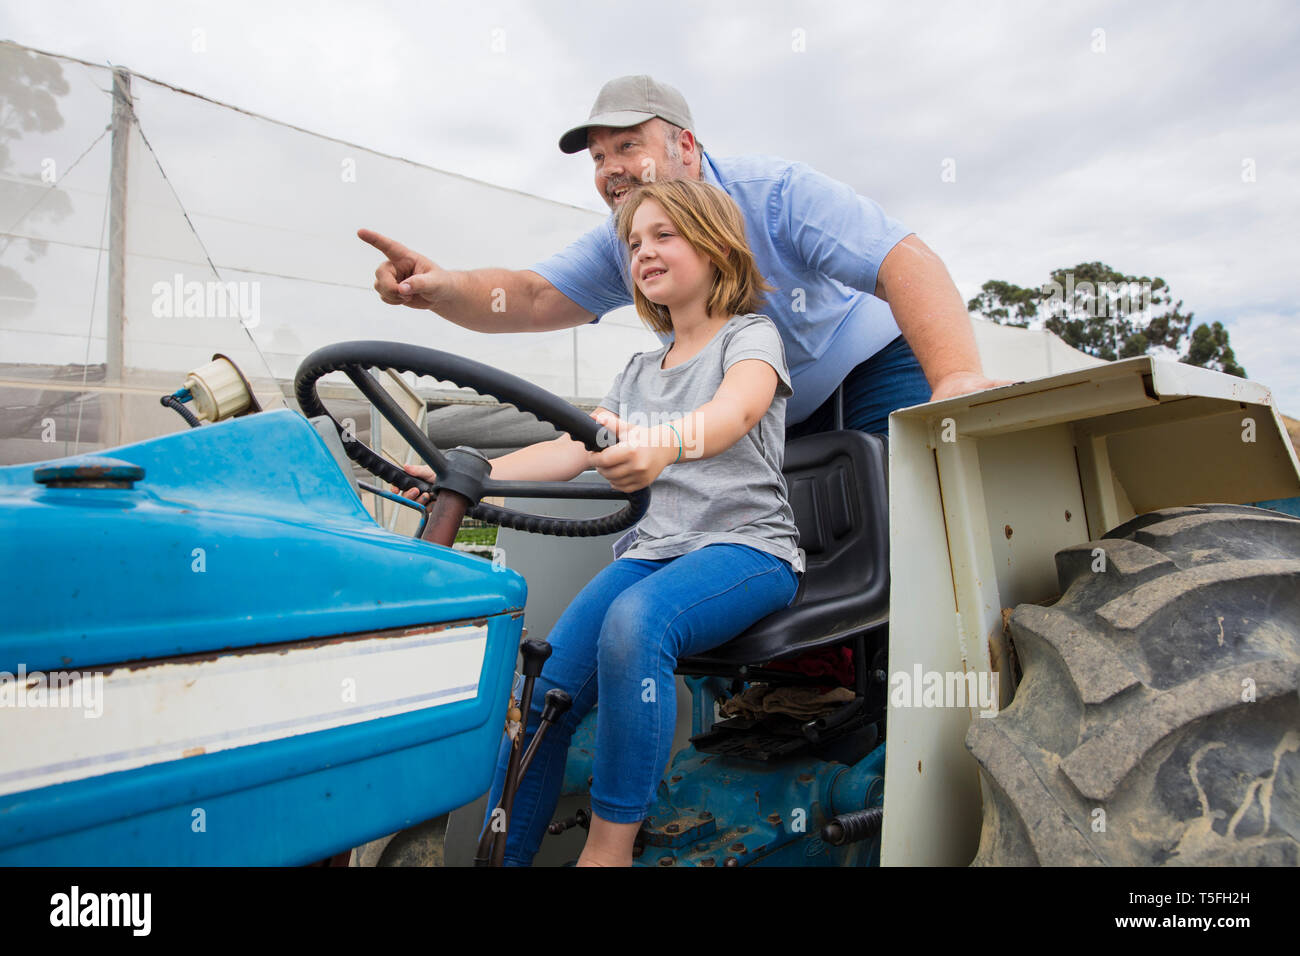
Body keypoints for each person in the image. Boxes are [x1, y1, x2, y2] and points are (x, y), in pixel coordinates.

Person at [400, 178, 804, 865]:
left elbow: (735, 412)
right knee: (543, 689)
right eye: (634, 243)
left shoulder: (750, 336)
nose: (644, 252)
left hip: (744, 550)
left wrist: (660, 445)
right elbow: (570, 449)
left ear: (715, 244)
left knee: (636, 623)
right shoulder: (640, 368)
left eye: (663, 235)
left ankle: (608, 852)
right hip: (651, 554)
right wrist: (469, 478)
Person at [360, 74, 1009, 442]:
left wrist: (955, 378)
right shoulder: (627, 240)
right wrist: (438, 287)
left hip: (870, 366)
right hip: (772, 407)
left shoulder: (775, 192)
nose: (612, 170)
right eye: (597, 158)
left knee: (904, 515)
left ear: (687, 147)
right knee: (760, 531)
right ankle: (811, 685)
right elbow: (530, 297)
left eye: (627, 146)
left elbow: (904, 258)